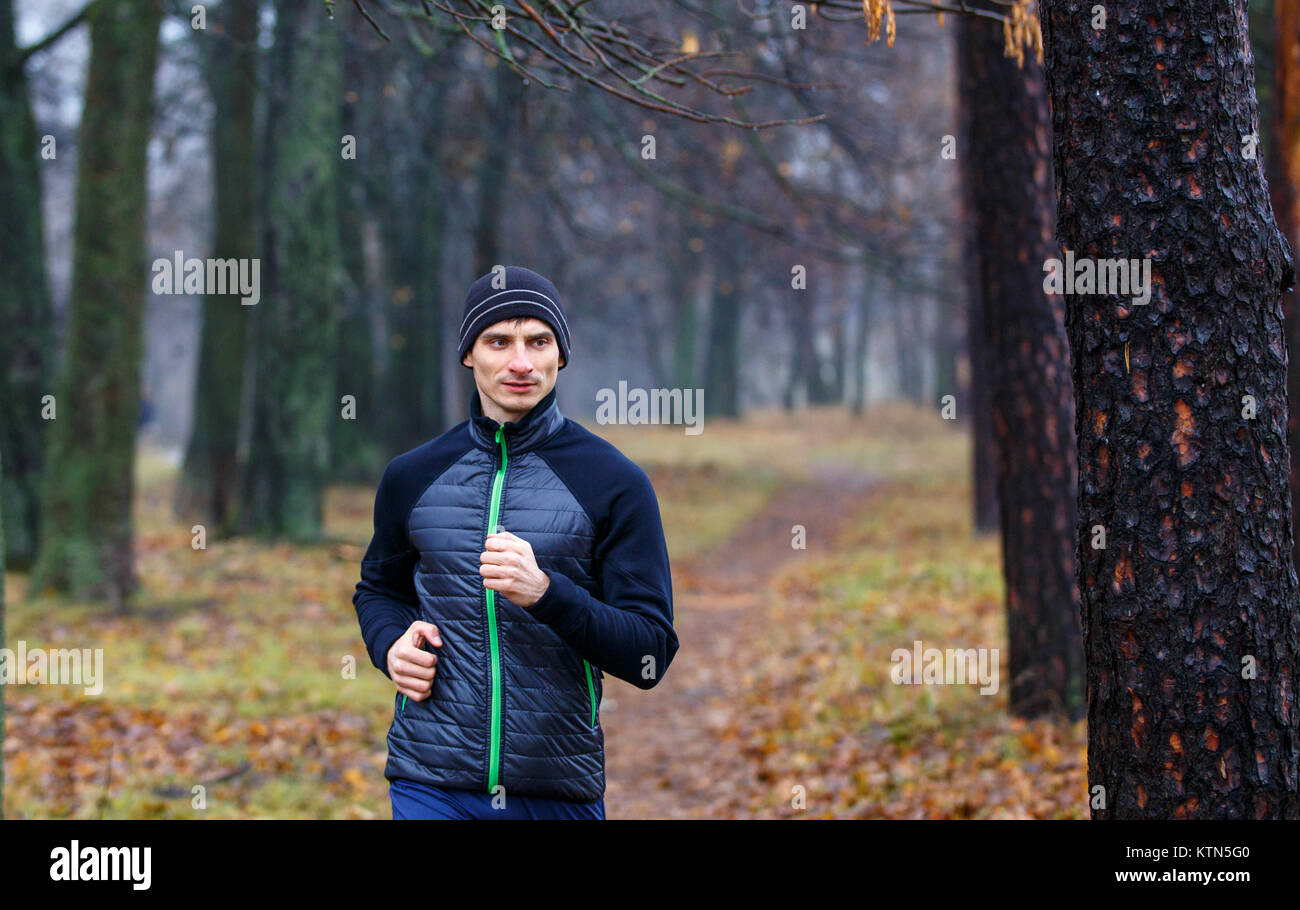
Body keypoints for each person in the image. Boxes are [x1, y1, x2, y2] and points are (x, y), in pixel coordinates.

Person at [353, 265, 679, 820]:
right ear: (468, 355)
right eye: (498, 341)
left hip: (556, 789)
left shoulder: (614, 482)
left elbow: (650, 654)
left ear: (561, 355)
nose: (521, 362)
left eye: (539, 341)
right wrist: (390, 645)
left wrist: (547, 593)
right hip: (430, 780)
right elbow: (377, 590)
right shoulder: (412, 476)